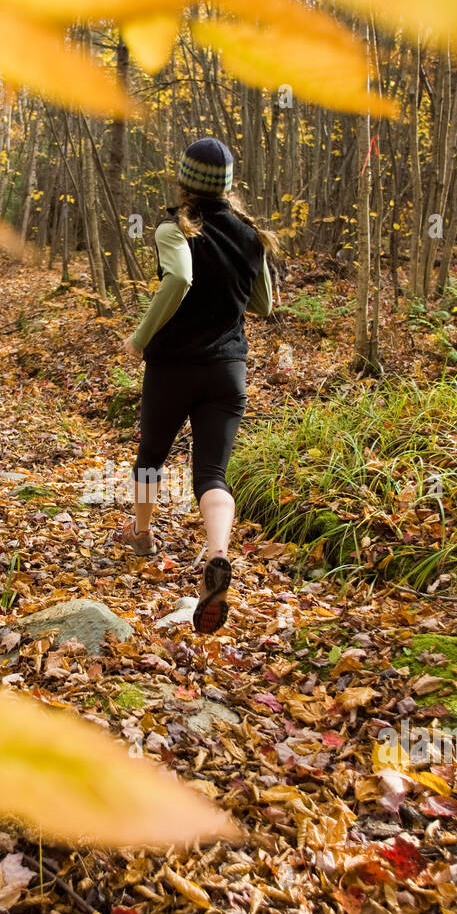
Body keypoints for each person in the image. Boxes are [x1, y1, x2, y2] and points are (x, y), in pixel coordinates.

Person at [120, 136, 276, 633]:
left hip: (172, 369)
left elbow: (179, 279)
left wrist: (141, 336)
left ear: (185, 181)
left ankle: (142, 535)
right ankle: (217, 554)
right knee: (211, 473)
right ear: (228, 187)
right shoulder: (251, 234)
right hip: (228, 369)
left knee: (151, 456)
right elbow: (264, 305)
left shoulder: (173, 228)